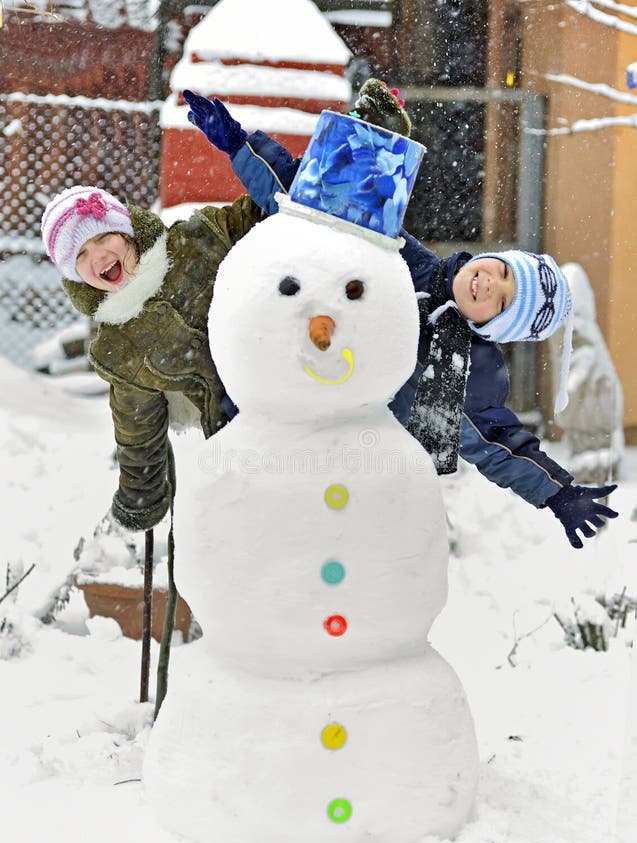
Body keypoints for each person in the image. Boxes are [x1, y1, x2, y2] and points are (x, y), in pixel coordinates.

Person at [182, 83, 618, 550]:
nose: (491, 283)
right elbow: (307, 203)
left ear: (494, 327)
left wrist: (557, 493)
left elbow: (498, 442)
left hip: (344, 464)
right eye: (504, 271)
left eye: (504, 301)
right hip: (270, 406)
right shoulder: (405, 258)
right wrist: (238, 142)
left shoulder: (464, 367)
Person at [40, 185, 263, 532]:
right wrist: (139, 503)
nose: (97, 256)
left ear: (125, 229)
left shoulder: (197, 242)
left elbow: (262, 210)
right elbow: (138, 435)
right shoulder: (120, 348)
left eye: (102, 238)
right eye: (81, 255)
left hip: (297, 378)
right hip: (243, 440)